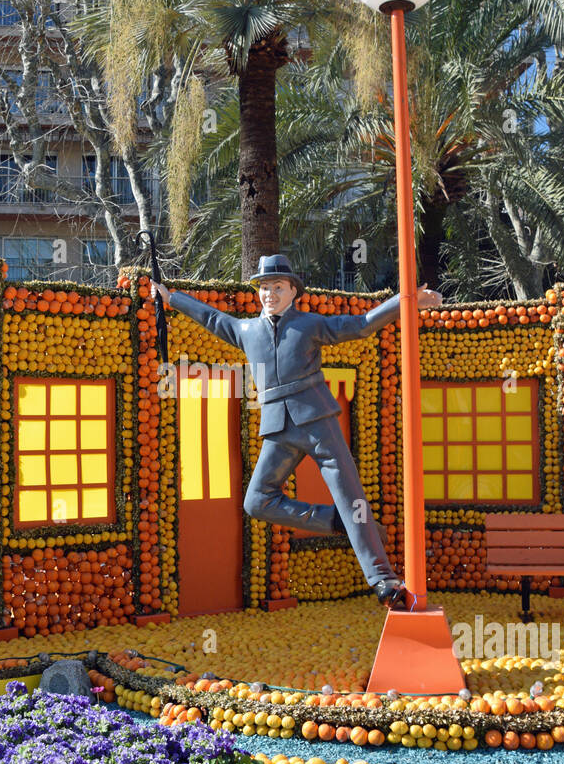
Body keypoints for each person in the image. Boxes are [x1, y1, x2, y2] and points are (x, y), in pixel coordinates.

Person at [151, 253, 443, 610]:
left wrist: (404, 301)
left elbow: (361, 325)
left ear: (293, 291)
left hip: (319, 422)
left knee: (353, 499)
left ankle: (382, 579)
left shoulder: (309, 325)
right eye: (264, 287)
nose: (269, 293)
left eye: (277, 286)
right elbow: (211, 318)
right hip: (277, 429)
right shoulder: (245, 331)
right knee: (256, 501)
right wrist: (171, 299)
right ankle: (334, 521)